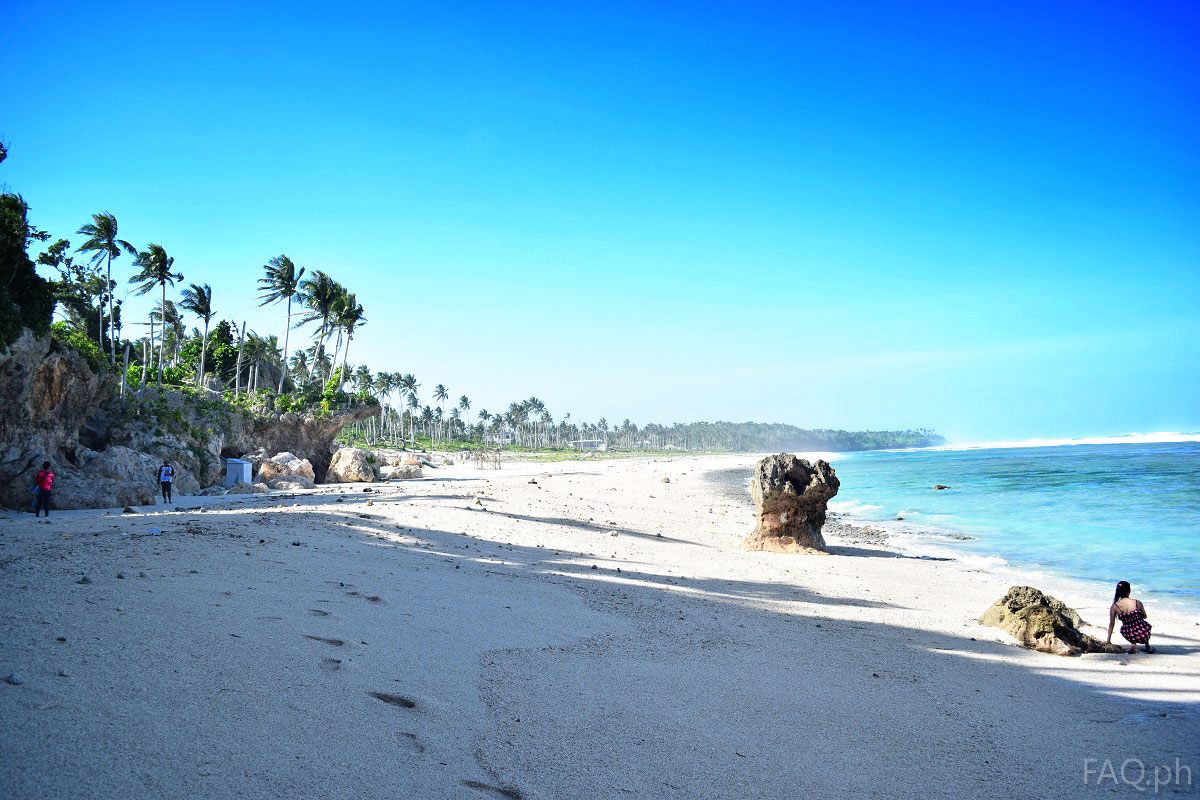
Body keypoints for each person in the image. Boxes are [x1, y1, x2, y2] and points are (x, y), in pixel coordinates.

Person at [1107, 580, 1154, 654]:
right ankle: (1147, 646)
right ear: (1129, 591)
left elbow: (1111, 624)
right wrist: (1137, 616)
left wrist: (1108, 640)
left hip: (1128, 633)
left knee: (1128, 627)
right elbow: (1145, 616)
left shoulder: (1115, 606)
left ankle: (1133, 644)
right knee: (1143, 624)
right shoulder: (1137, 602)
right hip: (1143, 632)